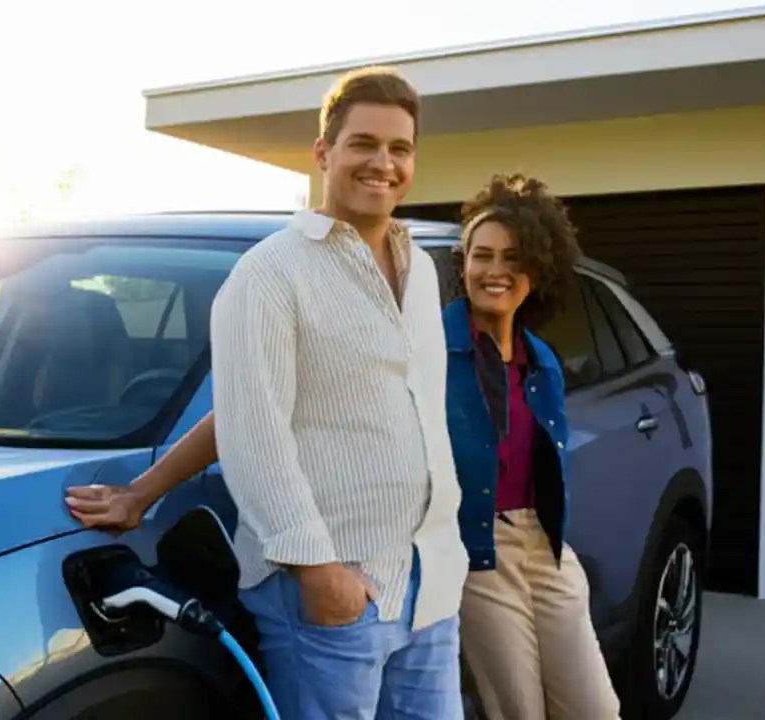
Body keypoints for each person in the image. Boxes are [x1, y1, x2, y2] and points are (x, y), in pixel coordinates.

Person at [68, 173, 623, 719]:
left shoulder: (541, 361)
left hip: (541, 548)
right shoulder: (426, 335)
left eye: (514, 258)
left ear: (539, 270)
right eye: (482, 255)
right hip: (468, 550)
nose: (495, 271)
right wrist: (142, 492)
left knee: (596, 707)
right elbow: (245, 410)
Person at [69, 66, 468, 719]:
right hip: (331, 591)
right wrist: (319, 573)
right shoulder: (272, 274)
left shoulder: (419, 269)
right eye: (364, 143)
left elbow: (266, 407)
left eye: (400, 148)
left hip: (425, 581)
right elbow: (255, 426)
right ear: (323, 152)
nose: (383, 162)